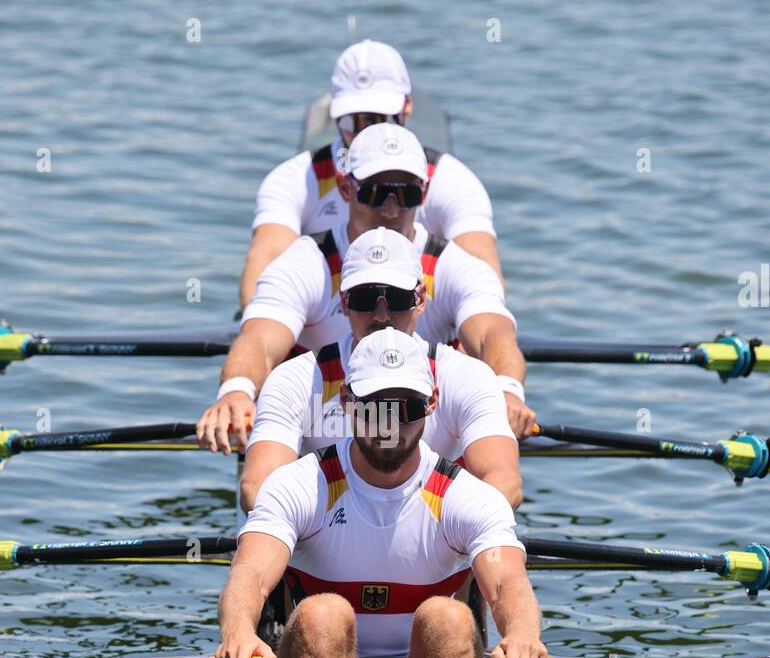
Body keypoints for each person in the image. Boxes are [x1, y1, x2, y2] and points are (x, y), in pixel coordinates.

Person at [215, 329, 546, 658]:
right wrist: (239, 632)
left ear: (431, 404)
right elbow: (250, 573)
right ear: (347, 401)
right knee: (320, 615)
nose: (389, 422)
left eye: (405, 407)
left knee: (450, 620)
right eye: (374, 406)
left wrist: (522, 633)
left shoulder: (463, 497)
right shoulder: (301, 485)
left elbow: (508, 583)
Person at [197, 123, 535, 454]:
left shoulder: (454, 265)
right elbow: (260, 338)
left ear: (425, 192)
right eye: (374, 192)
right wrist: (237, 390)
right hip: (320, 444)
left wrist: (506, 391)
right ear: (345, 189)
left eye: (406, 194)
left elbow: (495, 333)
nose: (390, 209)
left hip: (422, 447)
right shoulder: (307, 262)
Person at [239, 227, 522, 514]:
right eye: (365, 298)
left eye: (397, 299)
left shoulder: (466, 377)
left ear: (420, 300)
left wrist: (440, 533)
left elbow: (504, 481)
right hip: (324, 536)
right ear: (345, 302)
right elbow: (257, 487)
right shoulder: (295, 379)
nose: (382, 316)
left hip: (434, 542)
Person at [239, 38, 504, 306]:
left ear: (407, 108)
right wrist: (262, 323)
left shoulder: (452, 180)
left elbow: (483, 271)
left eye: (378, 118)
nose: (367, 133)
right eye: (354, 120)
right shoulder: (295, 179)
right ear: (334, 116)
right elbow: (266, 261)